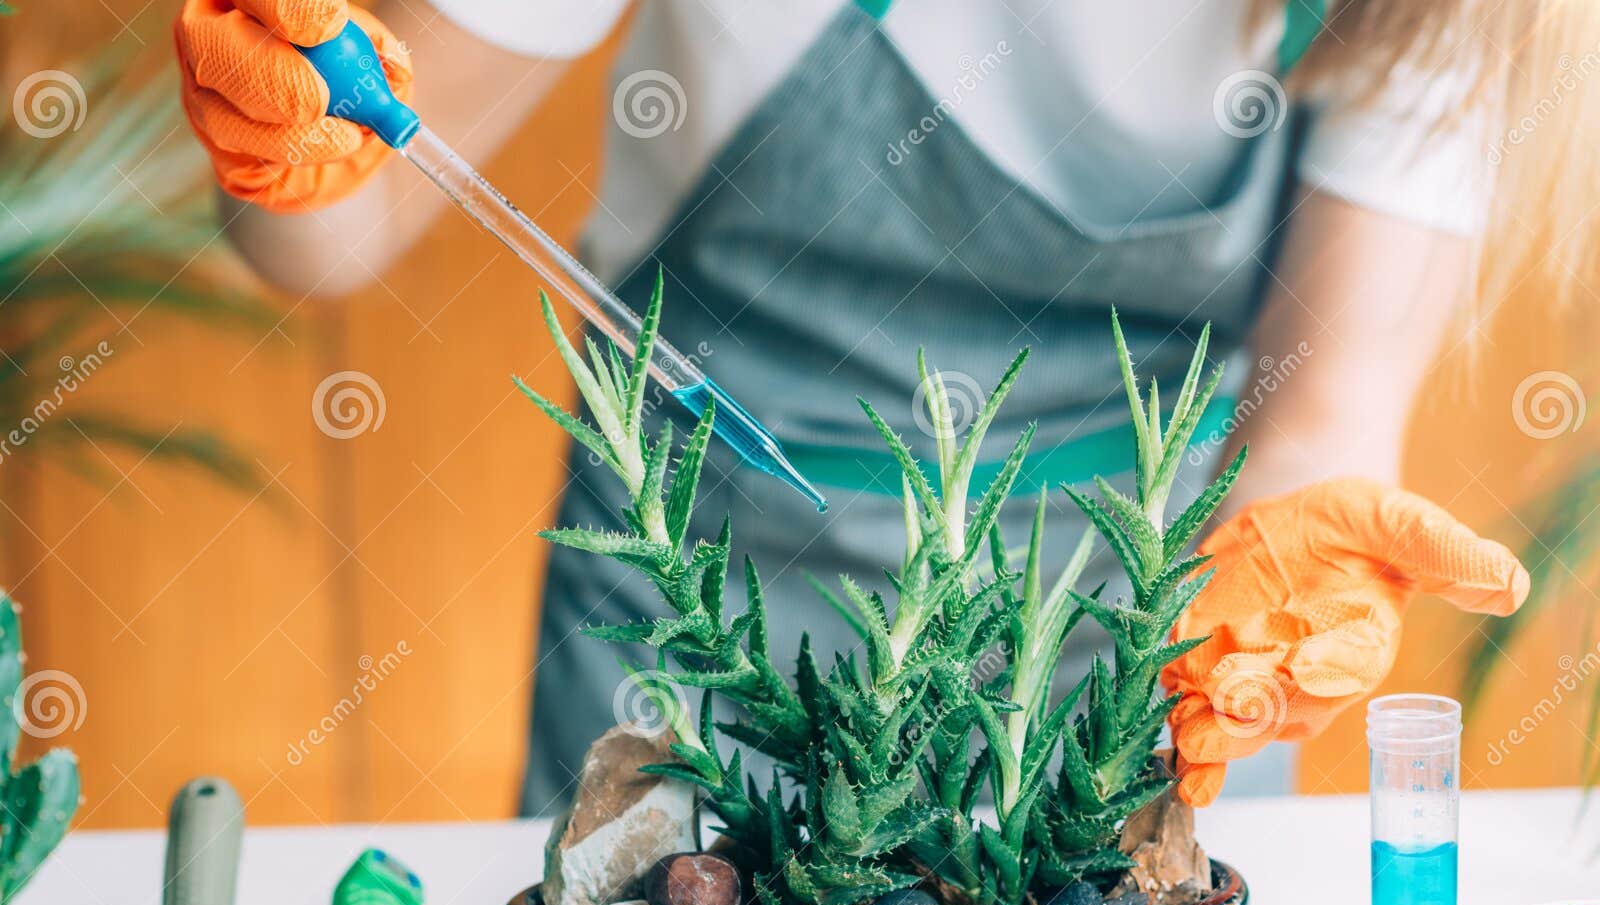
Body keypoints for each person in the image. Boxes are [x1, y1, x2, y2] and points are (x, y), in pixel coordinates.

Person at [176, 0, 1567, 813]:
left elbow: (1322, 412)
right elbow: (336, 228)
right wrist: (285, 104)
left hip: (1153, 635)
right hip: (697, 607)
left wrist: (1289, 567)